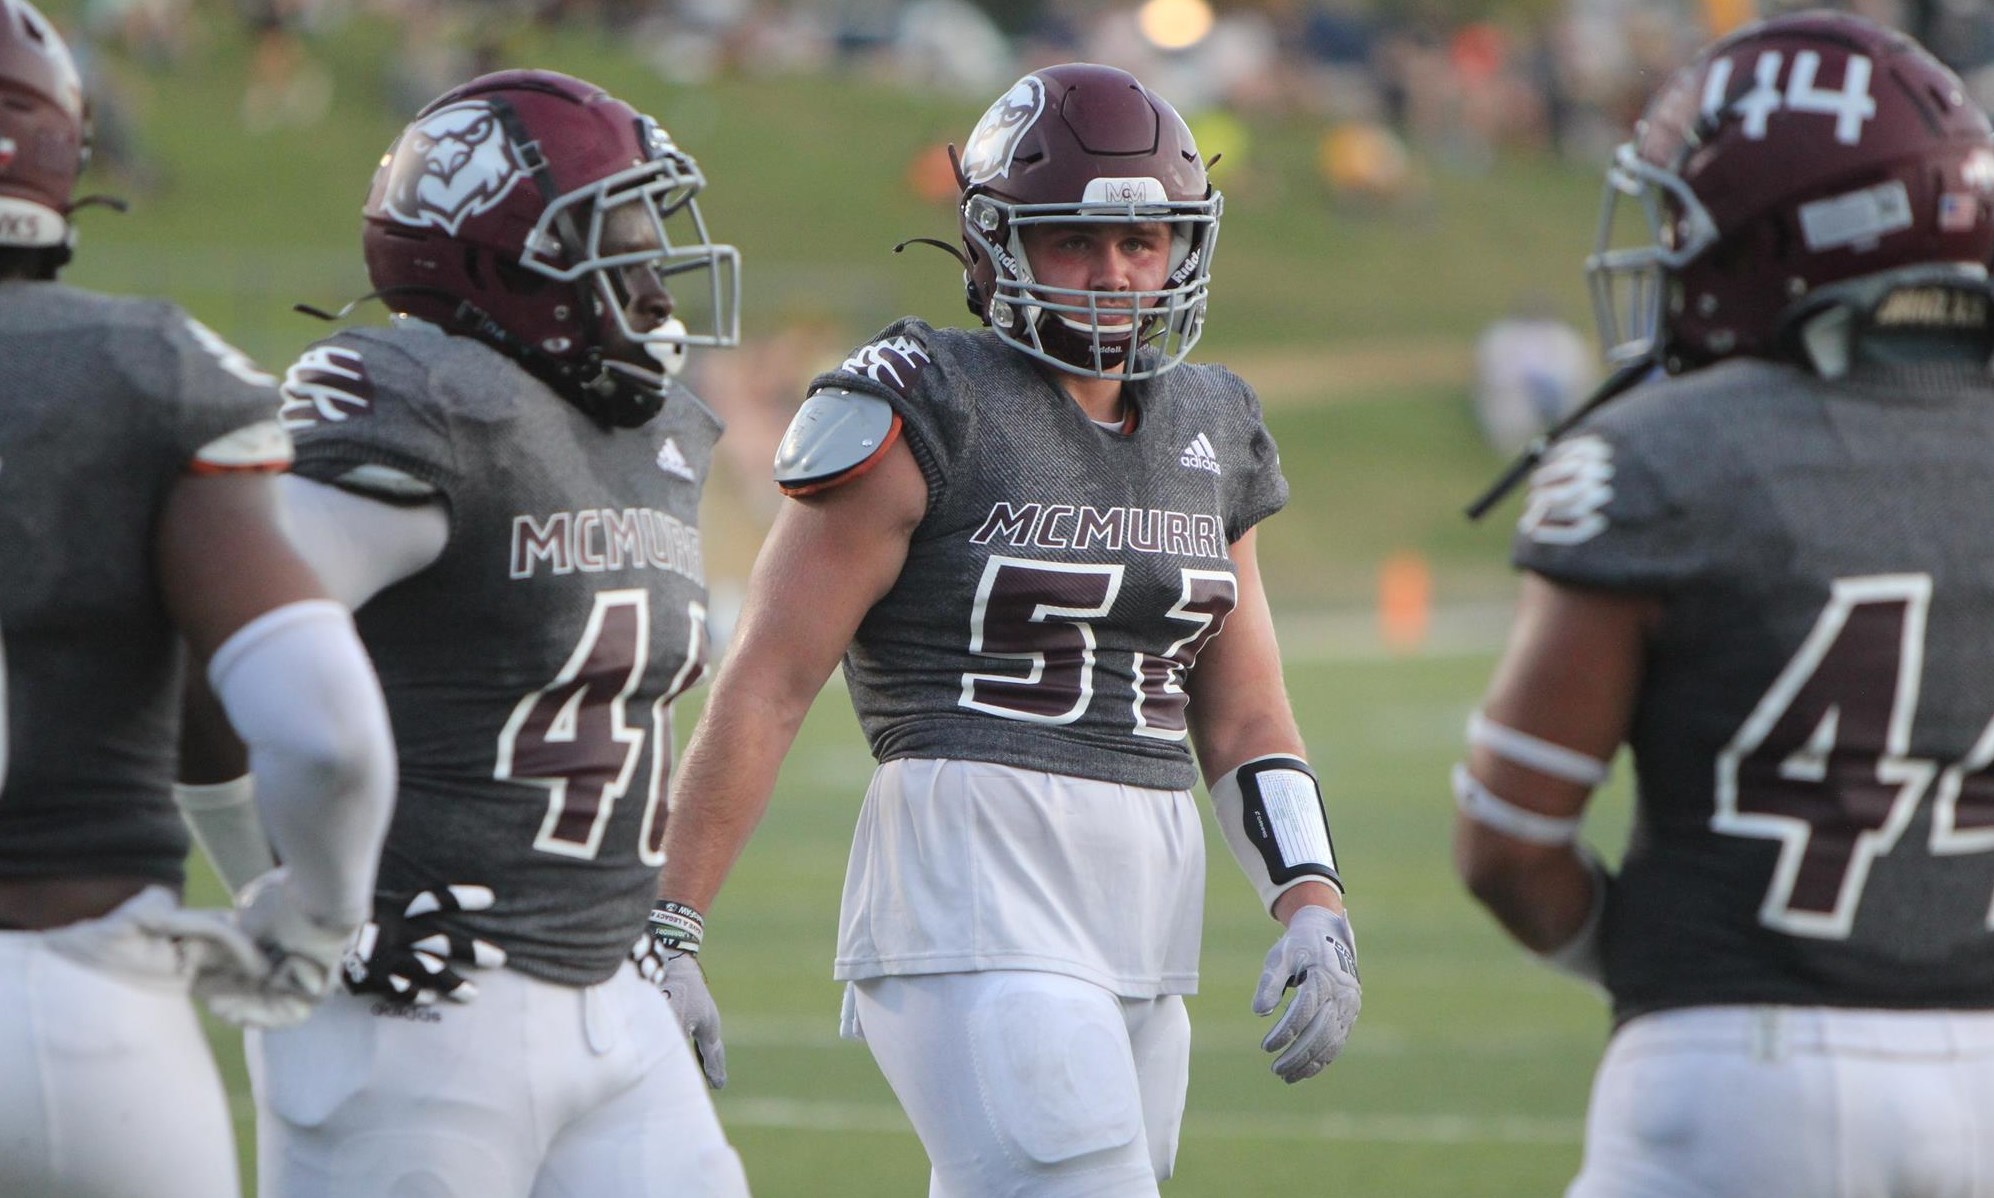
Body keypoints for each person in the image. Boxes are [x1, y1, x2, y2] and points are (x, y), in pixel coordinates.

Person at [655, 62, 1361, 1196]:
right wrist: (671, 924)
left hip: (1145, 899)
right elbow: (769, 681)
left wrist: (1312, 899)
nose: (1113, 274)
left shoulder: (1213, 424)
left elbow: (1242, 710)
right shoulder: (921, 401)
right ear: (994, 248)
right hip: (967, 879)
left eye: (1142, 242)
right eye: (1072, 242)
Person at [1454, 13, 1994, 1197]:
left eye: (1681, 222)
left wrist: (1653, 962)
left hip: (1740, 1061)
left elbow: (1507, 843)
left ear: (1784, 235)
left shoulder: (1662, 455)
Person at [208, 69, 752, 1197]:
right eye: (617, 239)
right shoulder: (426, 402)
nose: (653, 279)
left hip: (610, 987)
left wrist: (658, 931)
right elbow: (210, 652)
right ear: (503, 259)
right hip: (419, 997)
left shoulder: (656, 430)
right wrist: (302, 901)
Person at [0, 2, 399, 1195]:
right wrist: (310, 920)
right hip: (90, 1023)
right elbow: (325, 729)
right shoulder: (151, 372)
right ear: (64, 153)